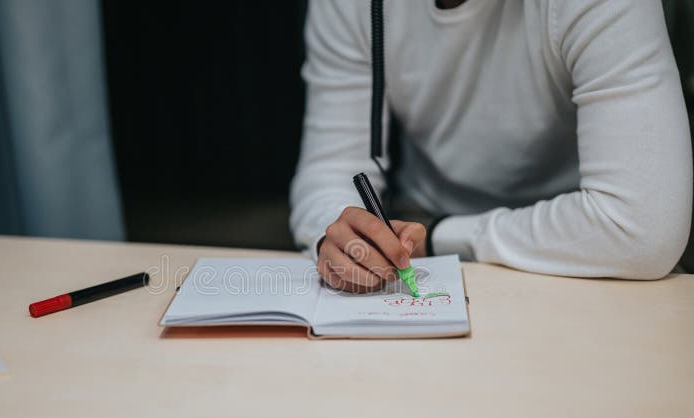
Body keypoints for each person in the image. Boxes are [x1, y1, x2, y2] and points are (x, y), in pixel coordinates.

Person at [290, 0, 693, 293]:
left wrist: (440, 237)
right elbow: (331, 173)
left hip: (579, 244)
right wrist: (341, 238)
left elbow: (639, 227)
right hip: (419, 232)